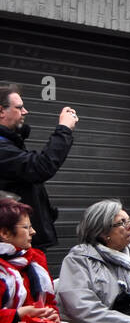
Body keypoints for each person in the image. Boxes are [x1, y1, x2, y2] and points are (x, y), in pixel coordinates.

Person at [0, 84, 78, 249]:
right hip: (13, 246)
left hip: (22, 242)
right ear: (1, 111)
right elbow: (40, 167)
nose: (25, 112)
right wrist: (64, 129)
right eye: (19, 107)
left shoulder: (11, 144)